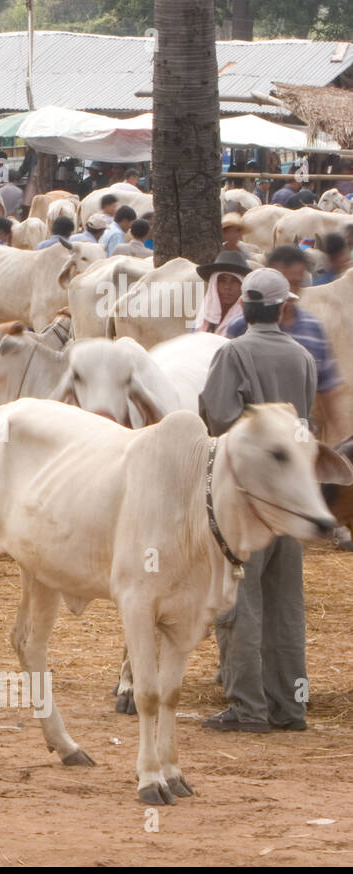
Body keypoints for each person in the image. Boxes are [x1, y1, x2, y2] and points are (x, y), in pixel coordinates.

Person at [198, 267, 320, 734]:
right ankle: (291, 707)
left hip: (246, 504)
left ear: (245, 307)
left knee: (240, 603)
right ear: (282, 306)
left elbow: (217, 418)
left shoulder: (233, 352)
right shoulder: (303, 357)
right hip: (292, 503)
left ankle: (247, 708)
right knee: (286, 603)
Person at [220, 245, 347, 441]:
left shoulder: (313, 330)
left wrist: (340, 442)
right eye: (281, 282)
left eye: (295, 283)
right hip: (254, 439)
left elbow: (329, 392)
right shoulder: (239, 328)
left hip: (299, 437)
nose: (287, 291)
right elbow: (226, 392)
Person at [193, 250, 251, 333]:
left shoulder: (246, 324)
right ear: (214, 284)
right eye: (222, 280)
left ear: (243, 285)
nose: (227, 287)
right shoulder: (202, 320)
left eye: (234, 281)